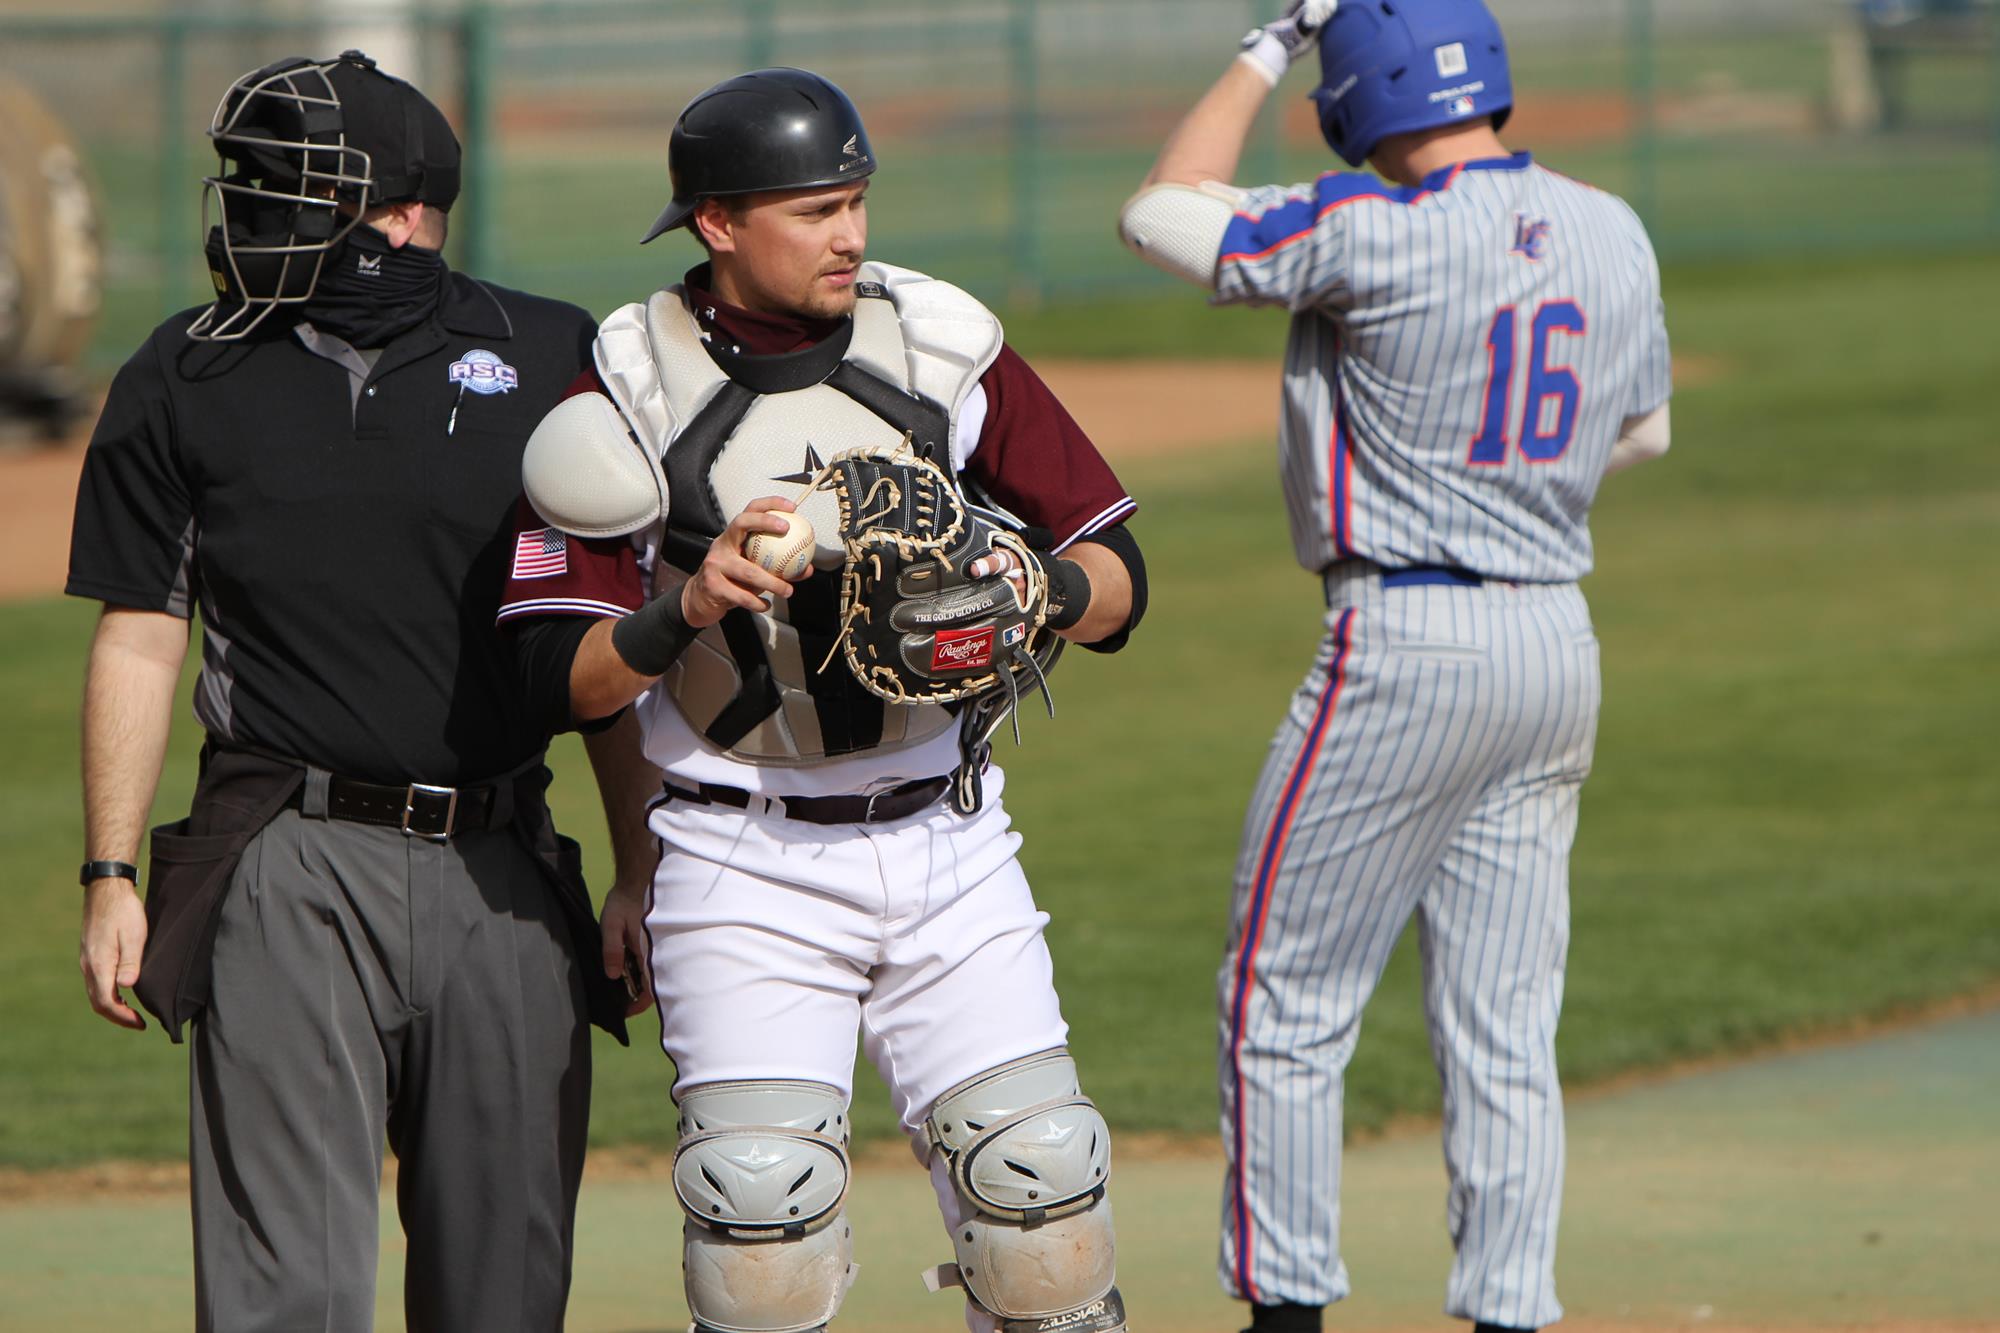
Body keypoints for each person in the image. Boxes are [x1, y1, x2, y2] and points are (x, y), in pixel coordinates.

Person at [498, 67, 1145, 1333]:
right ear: (717, 223)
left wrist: (1033, 585)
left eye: (854, 201)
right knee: (759, 1223)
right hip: (736, 856)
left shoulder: (946, 345)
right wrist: (679, 609)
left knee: (1044, 1205)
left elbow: (1120, 573)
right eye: (811, 210)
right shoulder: (620, 388)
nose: (849, 234)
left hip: (949, 843)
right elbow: (553, 676)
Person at [1117, 3, 1673, 1332]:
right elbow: (1642, 435)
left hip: (1408, 643)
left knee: (1286, 993)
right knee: (1504, 1019)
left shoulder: (1366, 228)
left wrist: (1268, 40)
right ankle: (1510, 1310)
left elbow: (1161, 213)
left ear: (1352, 99)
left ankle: (1289, 1312)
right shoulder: (1612, 225)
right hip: (1554, 641)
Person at [67, 51, 639, 1332]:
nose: (249, 210)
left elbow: (604, 655)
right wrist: (109, 874)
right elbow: (140, 637)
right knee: (286, 1299)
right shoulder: (184, 372)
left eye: (283, 185)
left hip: (504, 870)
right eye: (245, 182)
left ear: (396, 209)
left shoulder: (553, 356)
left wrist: (640, 866)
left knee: (501, 1293)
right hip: (285, 855)